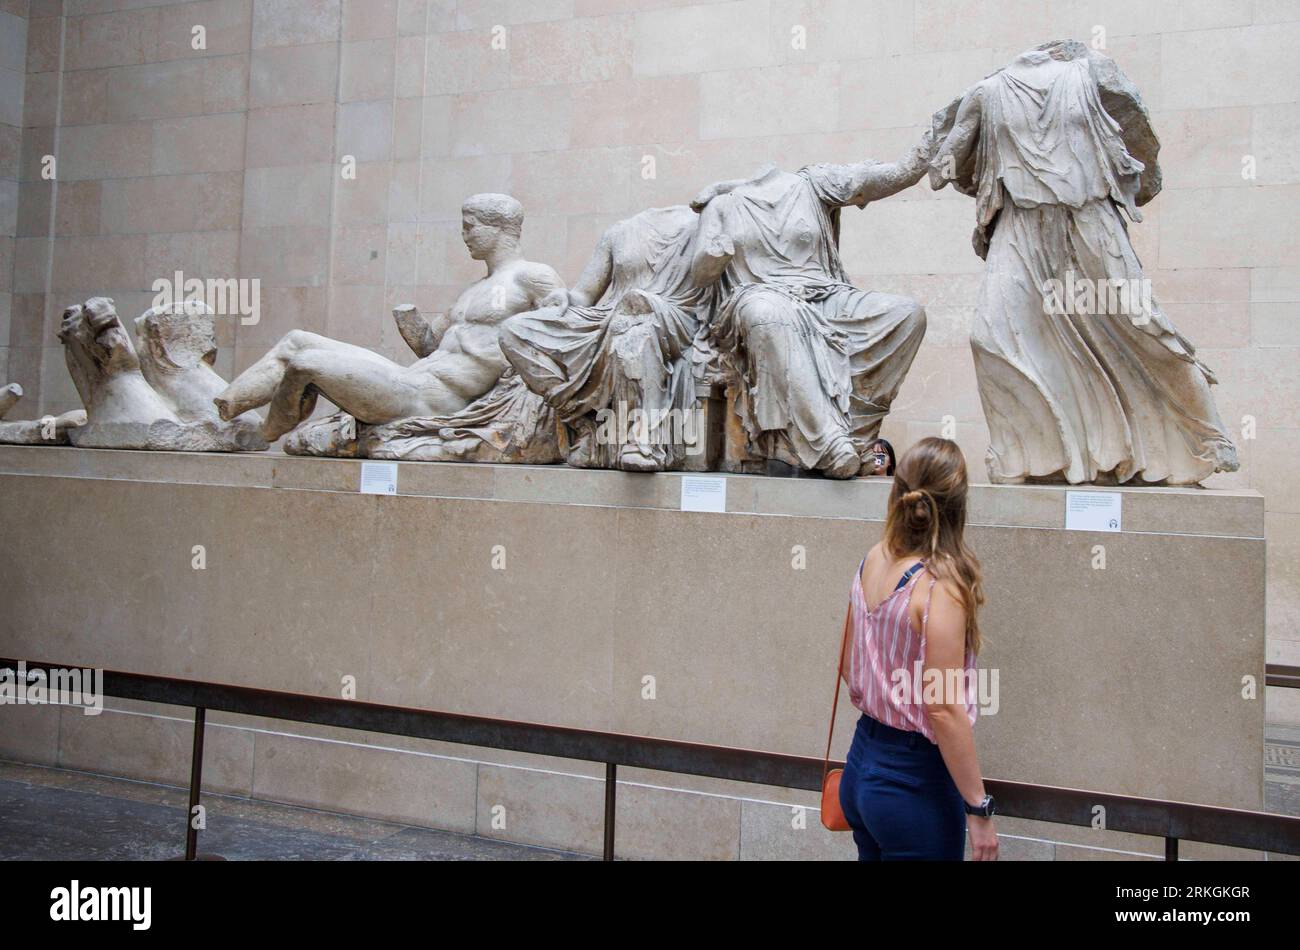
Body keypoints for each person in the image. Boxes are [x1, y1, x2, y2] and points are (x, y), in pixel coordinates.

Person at [837, 437, 998, 860]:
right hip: (913, 784)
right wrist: (979, 809)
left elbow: (849, 668)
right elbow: (943, 709)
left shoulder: (873, 558)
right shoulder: (941, 586)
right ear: (957, 504)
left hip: (860, 765)